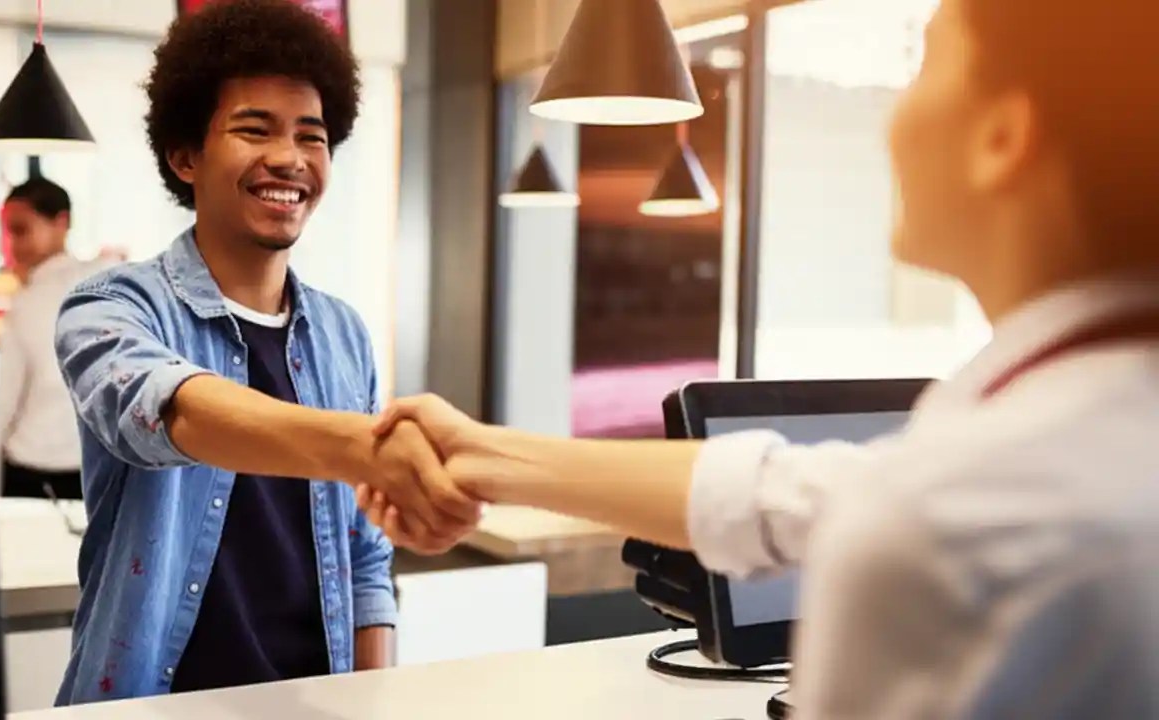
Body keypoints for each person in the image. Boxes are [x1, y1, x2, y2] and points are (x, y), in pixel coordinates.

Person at [361, 0, 1159, 716]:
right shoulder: (1090, 437)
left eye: (922, 62)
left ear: (1002, 138)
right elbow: (792, 493)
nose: (891, 114)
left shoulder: (942, 539)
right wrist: (482, 453)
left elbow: (878, 508)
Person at [51, 0, 476, 704]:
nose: (289, 158)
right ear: (185, 156)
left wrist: (373, 702)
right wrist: (365, 447)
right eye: (255, 130)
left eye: (312, 137)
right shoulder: (111, 307)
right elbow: (171, 413)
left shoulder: (343, 334)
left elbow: (367, 559)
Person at [0, 177, 103, 500]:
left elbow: (5, 403)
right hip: (96, 466)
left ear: (62, 222)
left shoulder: (26, 303)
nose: (12, 244)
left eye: (21, 230)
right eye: (9, 232)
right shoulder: (106, 282)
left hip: (31, 469)